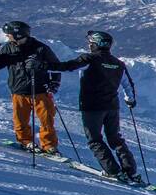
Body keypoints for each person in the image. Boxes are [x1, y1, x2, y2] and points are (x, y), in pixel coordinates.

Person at [55, 30, 142, 182]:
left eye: (90, 43)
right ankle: (130, 171)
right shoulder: (118, 63)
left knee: (95, 139)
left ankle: (113, 171)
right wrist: (130, 100)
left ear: (95, 44)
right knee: (116, 139)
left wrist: (42, 66)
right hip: (112, 106)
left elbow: (67, 67)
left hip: (92, 106)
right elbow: (127, 84)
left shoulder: (89, 58)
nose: (89, 45)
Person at [0, 20, 62, 154]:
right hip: (18, 91)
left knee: (47, 120)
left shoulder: (40, 48)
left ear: (18, 35)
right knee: (20, 120)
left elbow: (55, 66)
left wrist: (54, 83)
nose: (7, 37)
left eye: (9, 34)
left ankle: (49, 145)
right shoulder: (8, 47)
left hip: (40, 90)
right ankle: (25, 141)